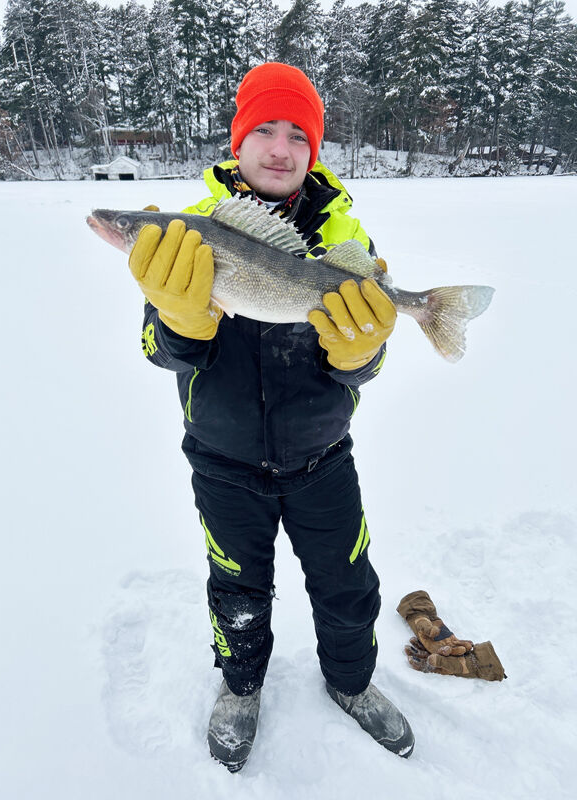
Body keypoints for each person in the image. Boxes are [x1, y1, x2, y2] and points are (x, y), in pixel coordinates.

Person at [128, 62, 414, 771]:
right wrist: (181, 321)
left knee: (349, 585)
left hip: (323, 461)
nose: (281, 149)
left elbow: (365, 368)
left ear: (314, 151)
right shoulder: (186, 239)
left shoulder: (347, 246)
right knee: (237, 587)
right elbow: (157, 352)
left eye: (298, 135)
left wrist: (361, 352)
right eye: (264, 129)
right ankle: (241, 686)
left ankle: (351, 682)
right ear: (237, 140)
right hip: (222, 464)